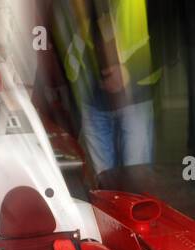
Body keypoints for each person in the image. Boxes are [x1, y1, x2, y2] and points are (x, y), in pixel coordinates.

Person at [51, 0, 160, 174]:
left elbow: (166, 33)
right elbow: (62, 27)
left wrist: (130, 71)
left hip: (134, 97)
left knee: (137, 181)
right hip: (92, 97)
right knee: (104, 187)